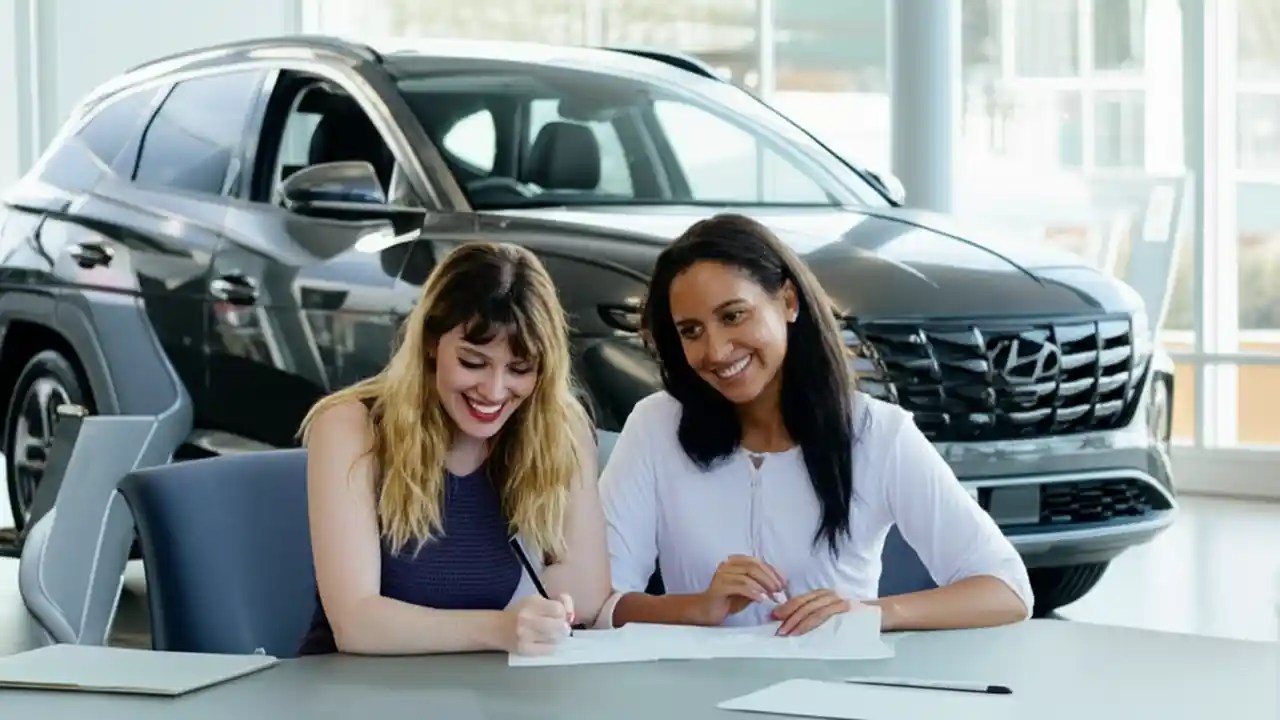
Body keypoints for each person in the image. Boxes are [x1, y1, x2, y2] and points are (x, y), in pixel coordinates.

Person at [597, 213, 1033, 636]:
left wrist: (869, 612)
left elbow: (1007, 589)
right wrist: (695, 608)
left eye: (733, 316)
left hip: (833, 694)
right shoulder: (655, 426)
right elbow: (599, 602)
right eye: (691, 331)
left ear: (787, 301)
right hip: (689, 695)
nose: (716, 350)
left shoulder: (878, 432)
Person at [297, 241, 610, 656]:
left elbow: (586, 592)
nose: (495, 391)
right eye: (473, 362)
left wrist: (539, 620)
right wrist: (500, 627)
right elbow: (357, 624)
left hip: (488, 687)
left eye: (520, 369)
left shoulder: (561, 427)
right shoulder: (350, 426)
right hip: (357, 690)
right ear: (430, 344)